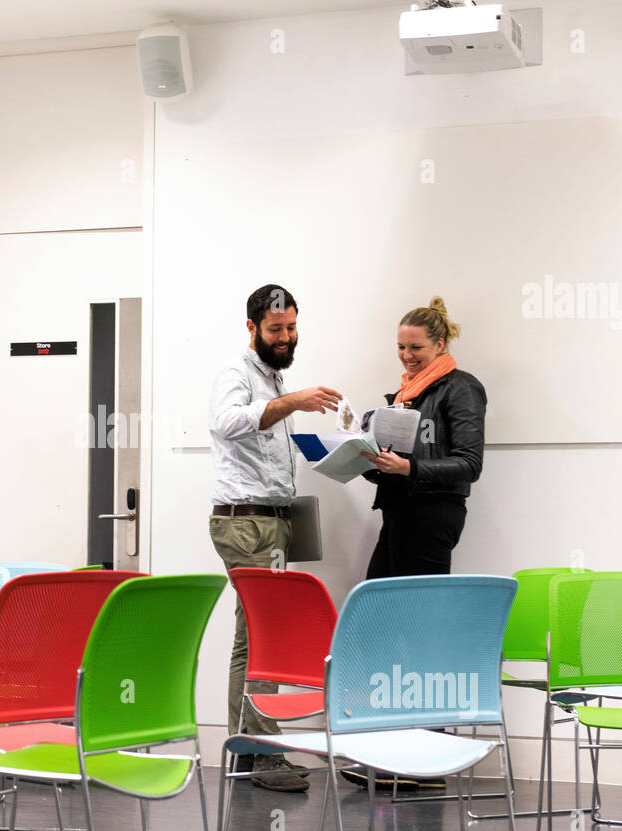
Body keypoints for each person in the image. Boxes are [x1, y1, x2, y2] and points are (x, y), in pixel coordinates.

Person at [342, 295, 487, 790]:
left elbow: (469, 463)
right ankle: (394, 747)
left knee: (418, 631)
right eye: (400, 347)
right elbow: (399, 464)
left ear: (440, 343)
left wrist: (411, 468)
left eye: (416, 348)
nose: (406, 356)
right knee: (382, 625)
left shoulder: (461, 389)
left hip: (434, 516)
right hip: (401, 514)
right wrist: (365, 459)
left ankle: (426, 757)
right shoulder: (402, 397)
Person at [208, 284, 342, 793]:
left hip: (272, 521)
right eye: (275, 330)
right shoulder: (237, 374)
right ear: (251, 328)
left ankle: (249, 751)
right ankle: (259, 755)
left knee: (255, 636)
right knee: (262, 636)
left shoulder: (272, 377)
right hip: (247, 524)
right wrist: (293, 402)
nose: (285, 337)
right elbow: (225, 423)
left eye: (290, 328)